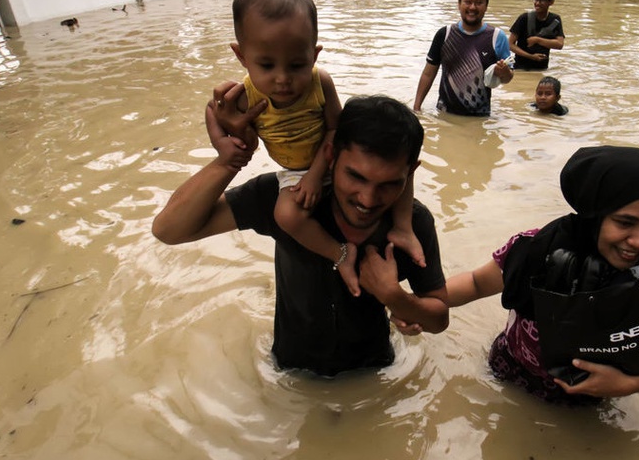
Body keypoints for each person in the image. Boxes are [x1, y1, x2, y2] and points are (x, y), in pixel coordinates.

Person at [152, 94, 449, 377]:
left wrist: (394, 297)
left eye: (389, 184)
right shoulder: (289, 201)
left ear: (411, 172)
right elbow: (169, 229)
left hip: (375, 370)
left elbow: (438, 319)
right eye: (355, 176)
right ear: (330, 156)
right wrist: (230, 160)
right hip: (291, 371)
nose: (368, 199)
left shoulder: (414, 224)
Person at [403, 146, 639, 405]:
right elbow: (475, 283)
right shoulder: (535, 250)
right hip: (507, 371)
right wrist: (414, 305)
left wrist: (628, 384)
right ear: (594, 214)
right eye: (625, 222)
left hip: (590, 398)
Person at [219, 0, 426, 297]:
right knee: (286, 215)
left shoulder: (320, 83)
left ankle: (403, 228)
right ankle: (340, 254)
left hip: (329, 160)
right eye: (267, 65)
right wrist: (225, 141)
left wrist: (317, 175)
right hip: (295, 172)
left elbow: (335, 129)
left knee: (397, 162)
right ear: (241, 55)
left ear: (314, 56)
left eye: (296, 65)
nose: (283, 79)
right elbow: (227, 126)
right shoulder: (242, 97)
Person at [413, 0, 514, 117]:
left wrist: (504, 72)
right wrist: (416, 108)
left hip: (480, 118)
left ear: (486, 6)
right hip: (444, 115)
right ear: (459, 4)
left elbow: (508, 78)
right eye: (468, 2)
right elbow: (428, 74)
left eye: (478, 2)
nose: (472, 7)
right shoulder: (444, 34)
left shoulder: (497, 37)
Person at [509, 0, 564, 71]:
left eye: (542, 0)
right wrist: (531, 56)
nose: (537, 3)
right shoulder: (524, 18)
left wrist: (538, 40)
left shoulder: (555, 20)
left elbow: (560, 44)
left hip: (542, 69)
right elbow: (510, 44)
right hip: (521, 69)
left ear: (551, 1)